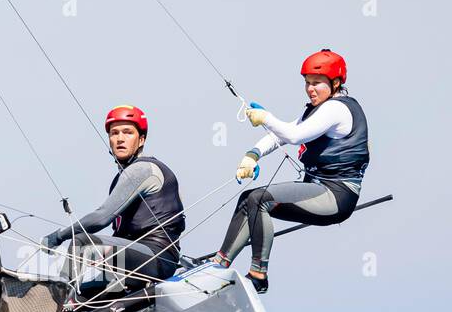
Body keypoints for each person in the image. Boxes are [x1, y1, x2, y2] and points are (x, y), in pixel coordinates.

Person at [213, 49, 370, 293]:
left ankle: (258, 275)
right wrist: (252, 156)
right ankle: (218, 265)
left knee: (259, 200)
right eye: (307, 83)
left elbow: (294, 136)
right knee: (248, 199)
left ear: (336, 83)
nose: (310, 89)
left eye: (317, 83)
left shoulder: (337, 109)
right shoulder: (318, 110)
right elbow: (285, 132)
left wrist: (265, 117)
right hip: (320, 189)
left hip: (337, 195)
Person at [41, 105, 186, 291]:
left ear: (141, 140)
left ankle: (60, 297)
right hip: (132, 263)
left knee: (82, 243)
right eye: (114, 133)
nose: (119, 139)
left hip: (156, 258)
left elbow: (101, 218)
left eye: (127, 132)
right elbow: (119, 237)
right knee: (84, 293)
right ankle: (65, 308)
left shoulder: (142, 170)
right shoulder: (121, 178)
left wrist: (58, 236)